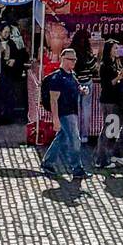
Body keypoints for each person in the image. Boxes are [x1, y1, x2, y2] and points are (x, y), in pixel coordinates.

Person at [41, 48, 89, 179]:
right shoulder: (57, 78)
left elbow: (76, 87)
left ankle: (48, 162)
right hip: (64, 113)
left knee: (61, 138)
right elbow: (53, 100)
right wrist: (55, 119)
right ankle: (77, 168)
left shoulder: (71, 75)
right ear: (64, 59)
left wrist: (82, 90)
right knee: (75, 139)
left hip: (71, 111)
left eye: (75, 59)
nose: (74, 62)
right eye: (71, 59)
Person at [94, 39, 123, 170]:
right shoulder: (105, 65)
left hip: (118, 100)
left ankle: (115, 154)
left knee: (118, 130)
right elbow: (107, 84)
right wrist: (118, 78)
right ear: (109, 50)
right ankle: (101, 159)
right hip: (109, 101)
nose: (117, 51)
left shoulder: (116, 63)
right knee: (108, 130)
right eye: (114, 48)